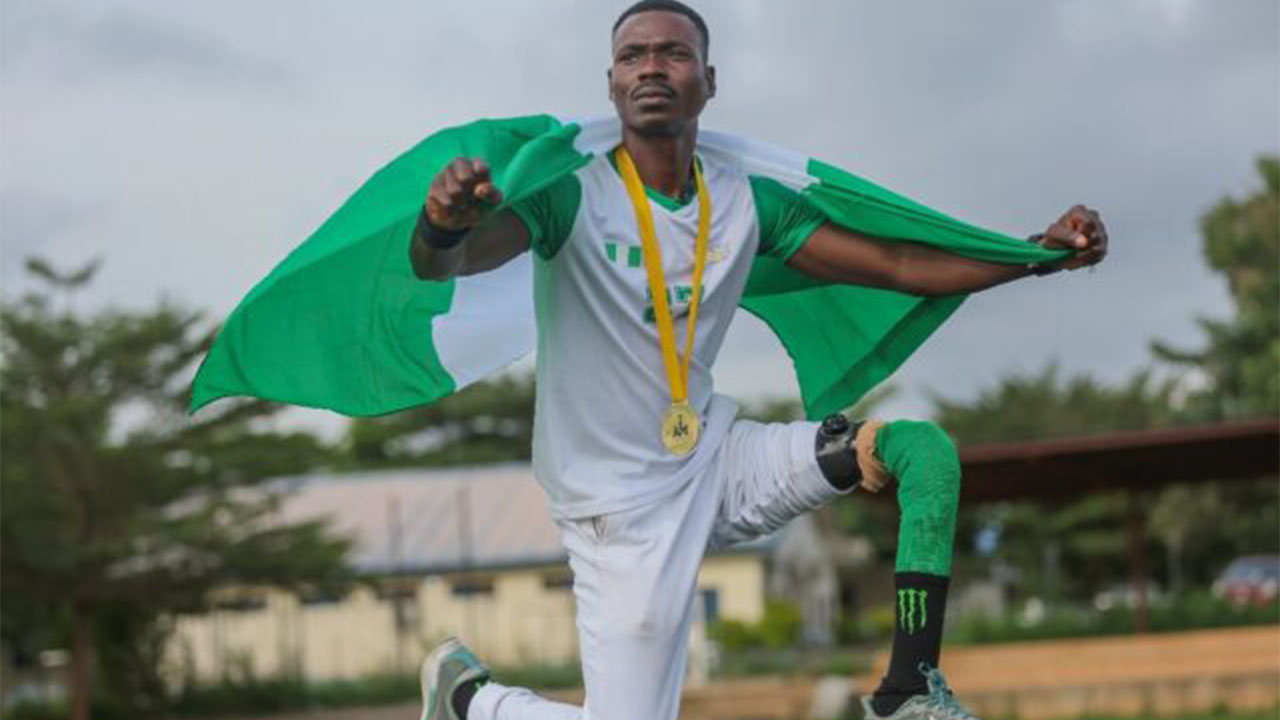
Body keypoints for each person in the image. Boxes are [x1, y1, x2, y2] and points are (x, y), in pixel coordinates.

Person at [411, 2, 1108, 719]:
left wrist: (1032, 258)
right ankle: (472, 701)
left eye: (673, 53)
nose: (651, 66)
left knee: (920, 451)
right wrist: (443, 226)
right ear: (612, 85)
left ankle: (908, 692)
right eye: (632, 56)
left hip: (715, 460)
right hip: (617, 509)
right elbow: (448, 265)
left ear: (709, 81)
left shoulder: (745, 202)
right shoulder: (571, 196)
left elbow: (898, 262)